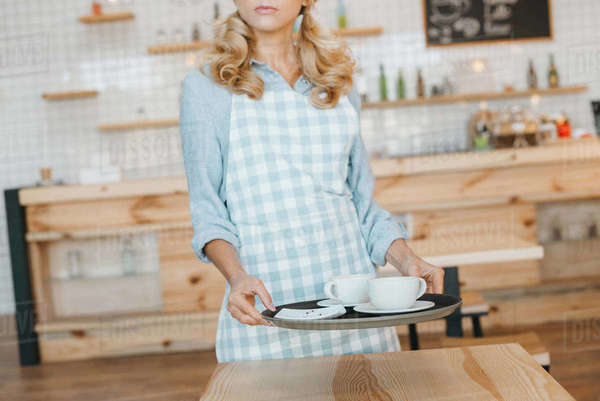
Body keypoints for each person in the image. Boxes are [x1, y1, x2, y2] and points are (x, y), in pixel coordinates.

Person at [179, 0, 444, 363]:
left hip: (355, 307)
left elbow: (362, 205)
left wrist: (406, 259)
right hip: (267, 310)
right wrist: (236, 277)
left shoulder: (337, 79)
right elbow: (208, 211)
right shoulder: (208, 86)